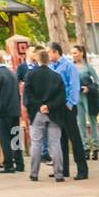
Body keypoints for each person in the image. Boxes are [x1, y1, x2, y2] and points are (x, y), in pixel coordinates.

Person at [24, 46, 66, 182]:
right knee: (55, 143)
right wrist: (49, 106)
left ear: (37, 59)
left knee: (36, 144)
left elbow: (27, 96)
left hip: (37, 114)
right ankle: (59, 174)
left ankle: (34, 173)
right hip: (53, 113)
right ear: (48, 60)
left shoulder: (30, 75)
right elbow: (62, 97)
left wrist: (39, 106)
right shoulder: (56, 76)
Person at [49, 41, 88, 180]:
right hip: (56, 107)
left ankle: (82, 169)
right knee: (60, 140)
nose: (48, 55)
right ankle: (63, 169)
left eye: (49, 52)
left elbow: (74, 85)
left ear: (56, 52)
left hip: (67, 107)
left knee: (74, 138)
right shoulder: (51, 66)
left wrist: (70, 103)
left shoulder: (69, 66)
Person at [0, 54, 24, 173]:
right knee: (15, 136)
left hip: (3, 110)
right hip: (14, 109)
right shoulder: (12, 73)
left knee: (4, 137)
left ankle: (8, 164)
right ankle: (19, 163)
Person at [73, 44, 99, 162]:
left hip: (88, 97)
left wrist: (89, 88)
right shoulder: (71, 67)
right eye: (72, 53)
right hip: (77, 97)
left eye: (75, 53)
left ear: (81, 53)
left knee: (92, 121)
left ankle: (95, 148)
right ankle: (85, 148)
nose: (74, 55)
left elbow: (97, 82)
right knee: (80, 123)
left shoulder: (88, 67)